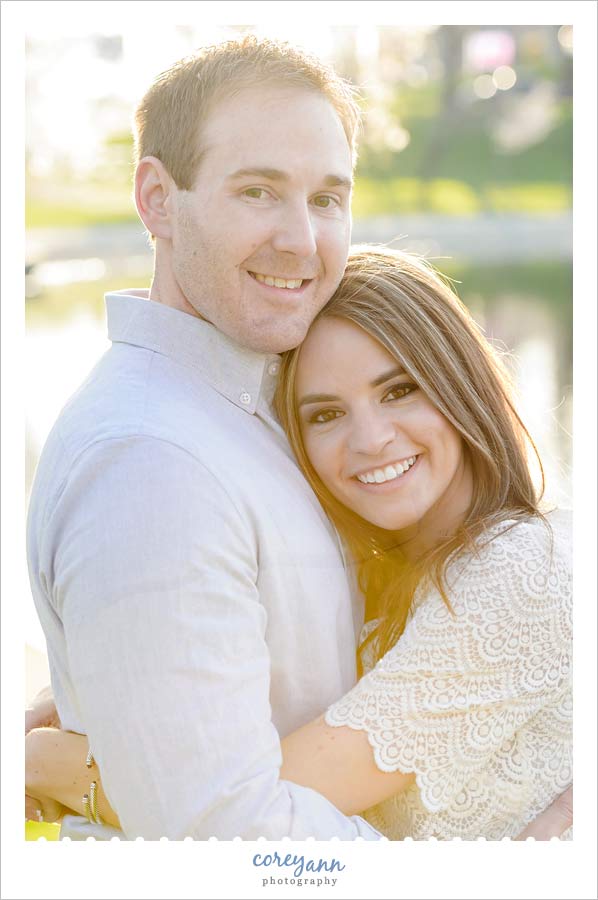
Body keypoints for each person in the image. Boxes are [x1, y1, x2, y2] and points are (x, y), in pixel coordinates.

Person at [25, 36, 572, 841]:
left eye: (327, 198)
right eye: (257, 191)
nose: (301, 239)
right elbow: (229, 837)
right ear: (156, 199)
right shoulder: (154, 461)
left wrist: (69, 762)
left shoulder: (242, 413)